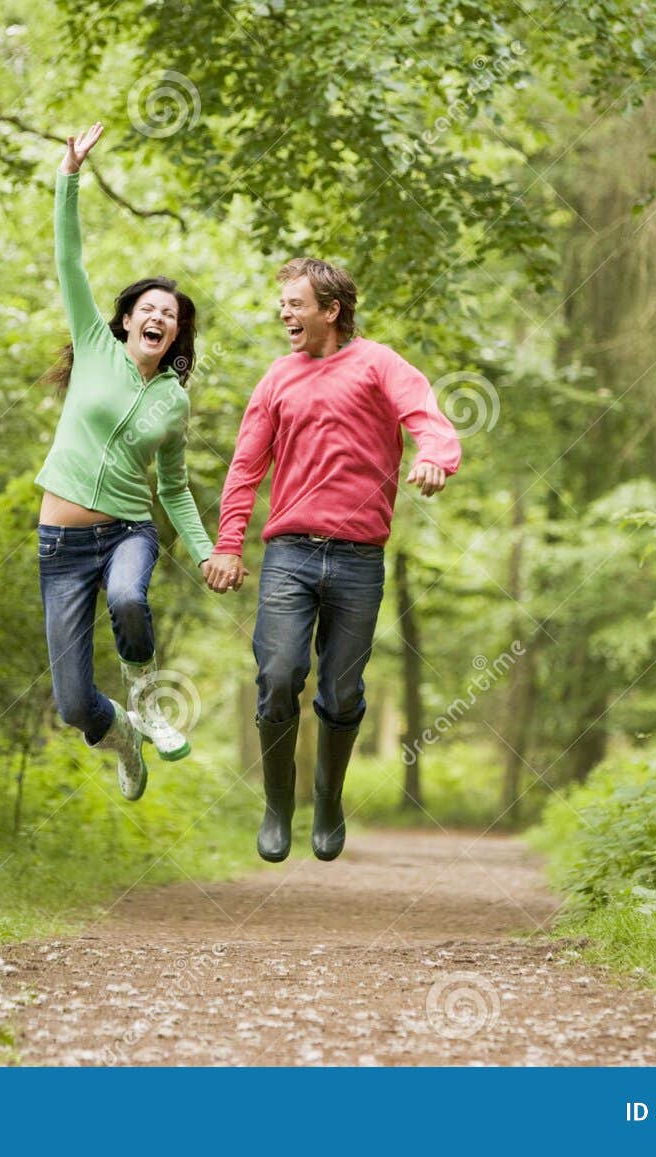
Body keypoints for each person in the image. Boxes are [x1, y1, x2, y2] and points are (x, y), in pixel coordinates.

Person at [203, 258, 461, 861]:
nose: (284, 313)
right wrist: (227, 543)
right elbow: (246, 467)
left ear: (330, 310)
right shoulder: (276, 377)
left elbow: (431, 420)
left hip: (359, 559)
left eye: (296, 304)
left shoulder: (379, 364)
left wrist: (434, 458)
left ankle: (328, 796)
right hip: (289, 554)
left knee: (342, 692)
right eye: (283, 304)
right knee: (278, 675)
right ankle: (277, 805)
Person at [36, 122, 226, 801]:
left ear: (175, 335)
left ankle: (146, 702)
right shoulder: (94, 344)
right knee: (73, 703)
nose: (158, 318)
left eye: (169, 316)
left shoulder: (174, 402)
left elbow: (173, 490)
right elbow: (69, 261)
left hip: (126, 530)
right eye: (148, 308)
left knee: (127, 595)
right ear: (124, 321)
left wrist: (205, 551)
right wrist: (70, 175)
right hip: (60, 542)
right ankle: (121, 735)